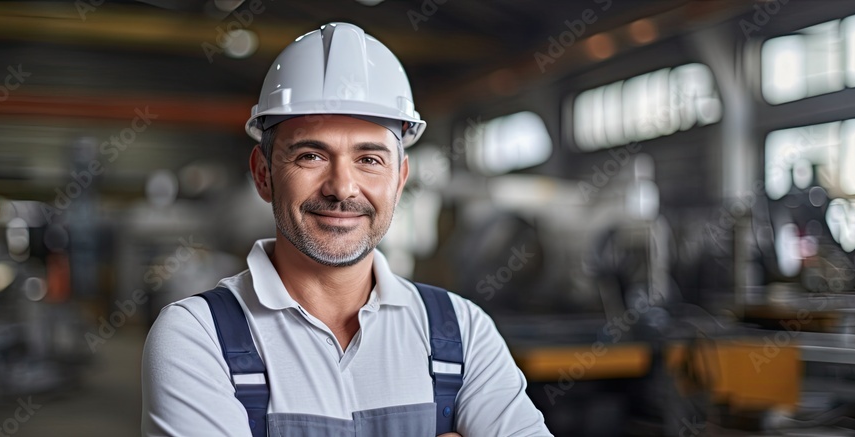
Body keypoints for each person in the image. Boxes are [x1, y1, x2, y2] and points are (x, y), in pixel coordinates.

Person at [141, 22, 552, 437]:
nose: (341, 188)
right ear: (263, 174)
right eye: (311, 156)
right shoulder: (198, 336)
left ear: (399, 178)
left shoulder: (462, 331)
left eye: (369, 159)